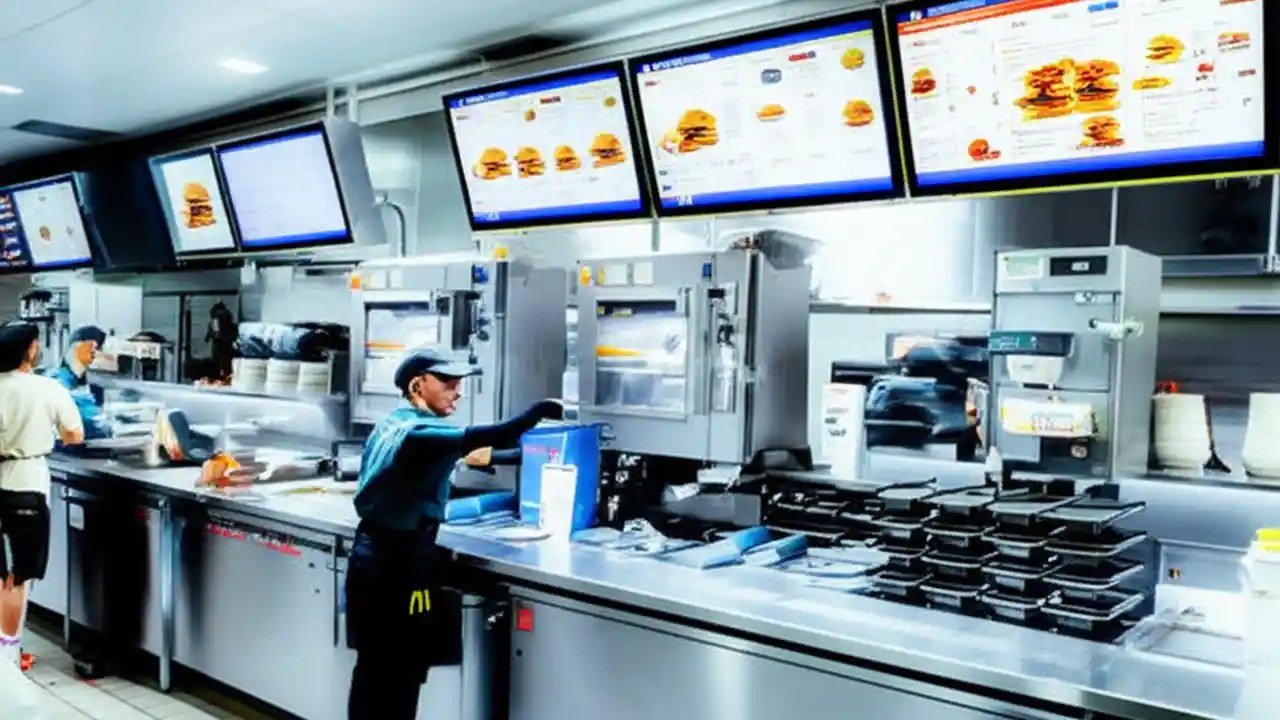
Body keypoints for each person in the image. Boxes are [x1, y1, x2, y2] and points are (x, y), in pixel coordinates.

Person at [346, 348, 561, 720]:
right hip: (397, 569)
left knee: (378, 669)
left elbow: (479, 453)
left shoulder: (396, 424)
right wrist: (543, 409)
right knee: (397, 674)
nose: (458, 391)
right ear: (418, 385)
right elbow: (499, 434)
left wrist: (539, 453)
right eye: (447, 383)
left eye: (459, 383)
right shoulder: (419, 436)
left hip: (377, 560)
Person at [0, 321, 83, 716]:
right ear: (32, 350)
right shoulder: (49, 389)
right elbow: (74, 434)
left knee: (0, 574)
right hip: (27, 485)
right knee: (18, 577)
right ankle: (9, 656)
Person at [47, 325, 110, 441]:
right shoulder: (56, 379)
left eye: (97, 349)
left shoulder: (87, 383)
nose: (95, 353)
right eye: (92, 348)